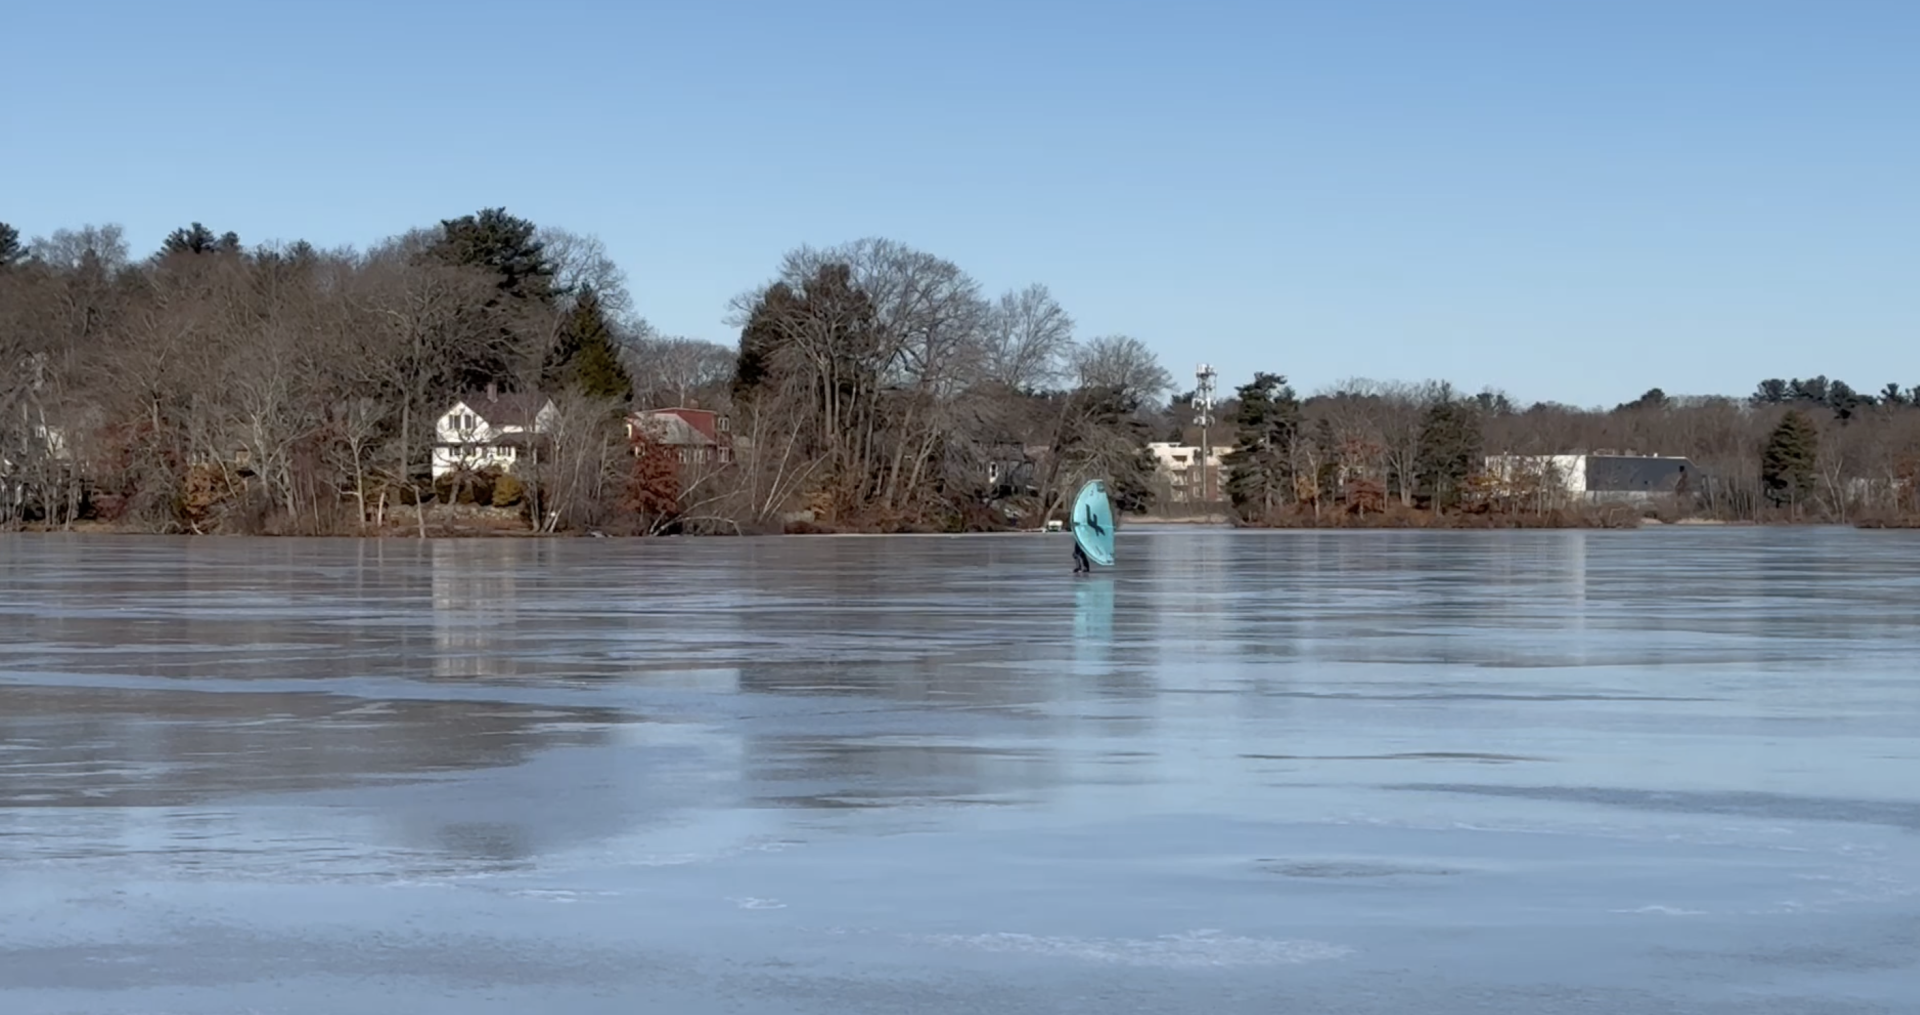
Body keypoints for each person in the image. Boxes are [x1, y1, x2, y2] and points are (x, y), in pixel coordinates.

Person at [1071, 502, 1104, 573]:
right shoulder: (1081, 517)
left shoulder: (1088, 519)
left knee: (1078, 553)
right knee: (1078, 554)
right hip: (1079, 538)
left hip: (1084, 538)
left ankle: (1083, 567)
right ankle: (1080, 567)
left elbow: (1089, 527)